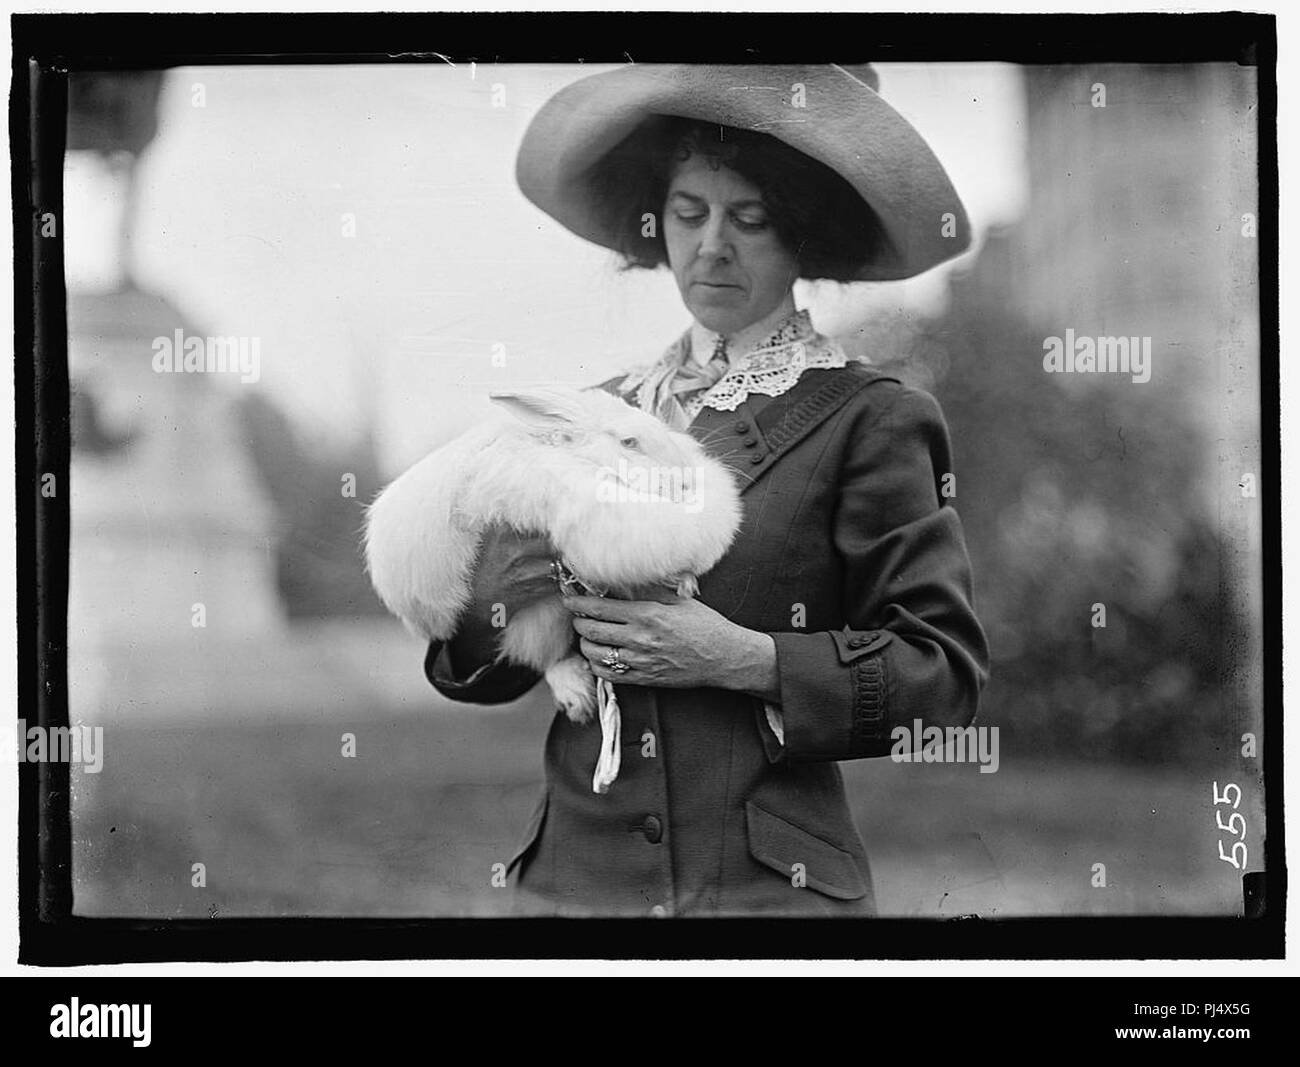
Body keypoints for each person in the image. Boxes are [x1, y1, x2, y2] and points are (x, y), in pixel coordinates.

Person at [423, 64, 989, 917]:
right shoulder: (596, 416)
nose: (711, 245)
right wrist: (499, 581)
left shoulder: (870, 419)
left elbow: (940, 678)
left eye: (749, 219)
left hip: (767, 897)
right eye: (688, 214)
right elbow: (473, 666)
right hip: (571, 891)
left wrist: (742, 658)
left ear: (804, 232)